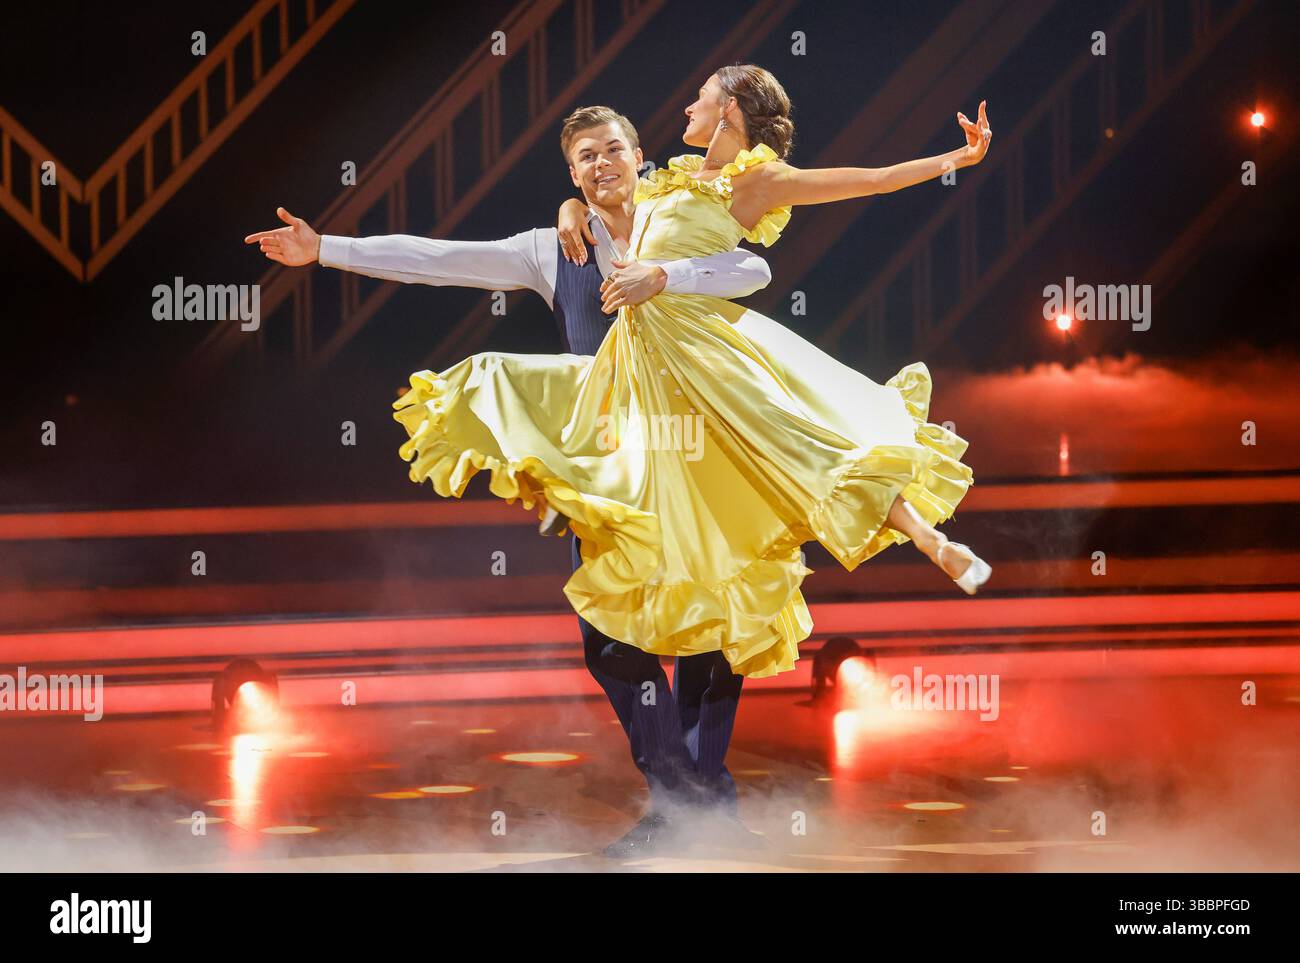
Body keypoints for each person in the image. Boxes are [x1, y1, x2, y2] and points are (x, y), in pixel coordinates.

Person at [244, 105, 775, 857]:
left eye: (613, 149)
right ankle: (681, 802)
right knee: (610, 638)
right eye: (585, 156)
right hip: (607, 471)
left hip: (696, 456)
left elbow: (753, 266)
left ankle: (703, 808)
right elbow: (436, 259)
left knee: (711, 631)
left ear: (640, 156)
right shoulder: (551, 248)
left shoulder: (682, 220)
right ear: (572, 174)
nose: (601, 164)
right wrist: (325, 248)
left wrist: (669, 273)